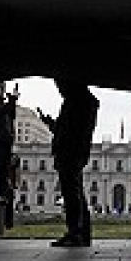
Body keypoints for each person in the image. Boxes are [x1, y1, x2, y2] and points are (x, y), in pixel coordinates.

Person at [39, 78, 99, 247]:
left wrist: (59, 132)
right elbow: (68, 128)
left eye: (60, 84)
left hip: (70, 152)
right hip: (73, 152)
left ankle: (76, 233)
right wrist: (52, 124)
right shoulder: (83, 102)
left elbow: (72, 130)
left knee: (72, 194)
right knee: (76, 193)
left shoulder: (77, 102)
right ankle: (81, 233)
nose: (59, 88)